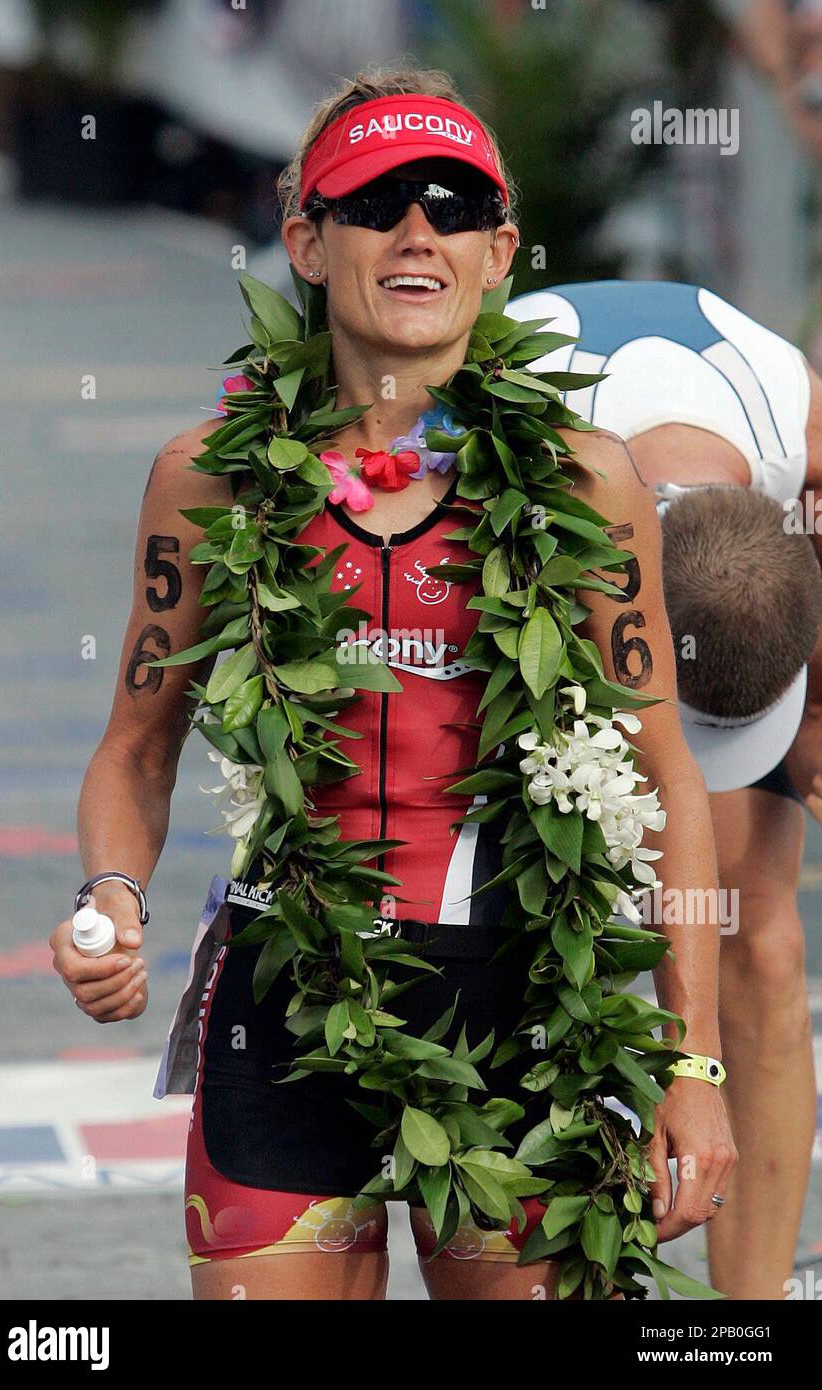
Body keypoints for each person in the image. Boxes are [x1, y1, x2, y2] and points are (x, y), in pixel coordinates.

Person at [49, 70, 735, 1302]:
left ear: (501, 249)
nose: (418, 229)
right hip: (286, 1013)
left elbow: (666, 772)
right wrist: (112, 893)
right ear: (306, 241)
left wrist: (696, 1062)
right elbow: (135, 751)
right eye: (373, 200)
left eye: (456, 201)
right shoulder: (209, 478)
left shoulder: (588, 480)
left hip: (525, 1016)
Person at [507, 278, 822, 1299]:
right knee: (557, 937)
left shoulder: (805, 433)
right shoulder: (501, 436)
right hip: (524, 597)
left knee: (757, 933)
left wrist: (814, 729)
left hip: (737, 596)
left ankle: (750, 1316)